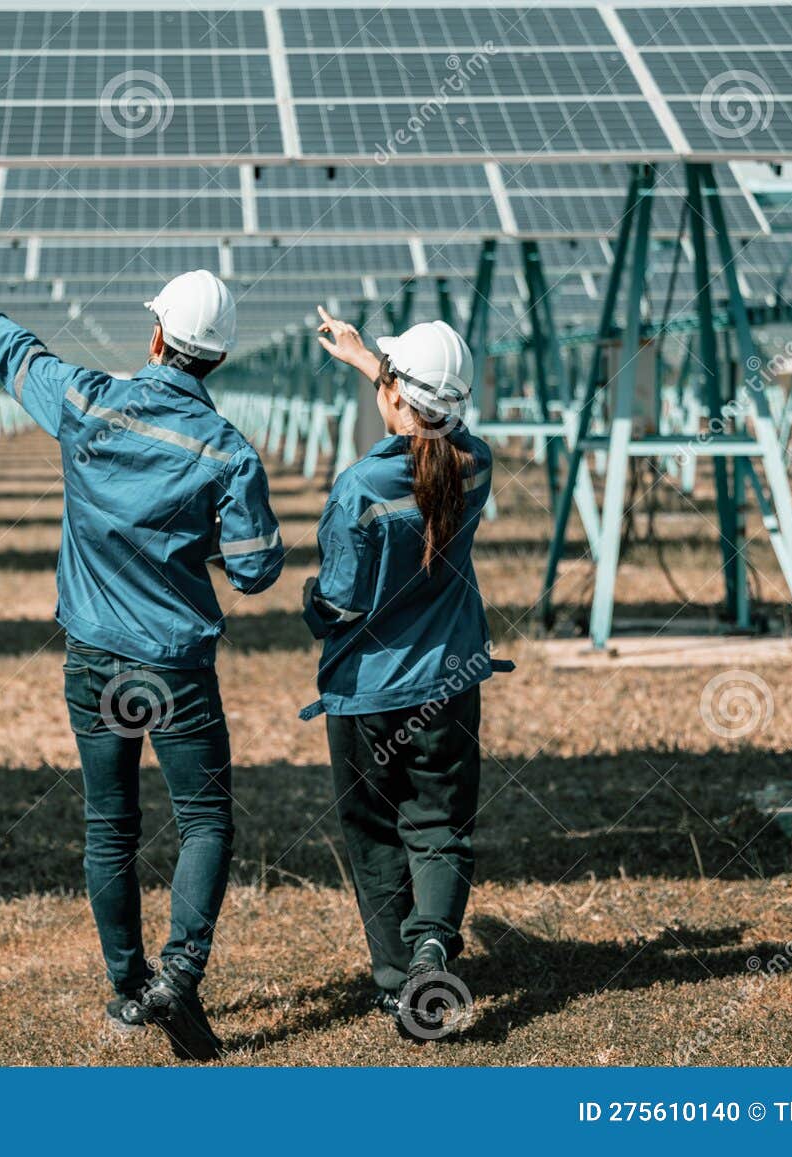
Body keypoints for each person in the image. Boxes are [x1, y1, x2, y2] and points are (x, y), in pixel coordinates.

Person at [0, 262, 285, 1061]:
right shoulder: (228, 453)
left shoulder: (88, 402)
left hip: (94, 659)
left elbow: (19, 355)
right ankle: (180, 975)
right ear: (217, 359)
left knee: (109, 824)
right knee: (204, 819)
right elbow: (257, 569)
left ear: (156, 338)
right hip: (177, 669)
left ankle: (130, 990)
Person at [300, 307, 510, 1043]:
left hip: (369, 693)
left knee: (376, 834)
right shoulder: (475, 465)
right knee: (440, 826)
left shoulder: (359, 487)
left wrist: (311, 608)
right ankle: (432, 944)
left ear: (393, 394)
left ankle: (398, 984)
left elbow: (340, 598)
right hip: (450, 684)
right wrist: (371, 362)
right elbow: (431, 429)